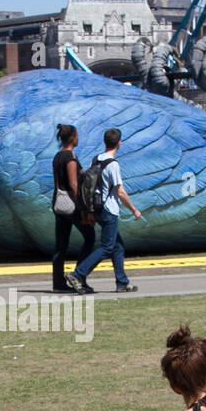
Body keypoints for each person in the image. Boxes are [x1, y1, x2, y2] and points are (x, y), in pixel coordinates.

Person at [64, 128, 143, 294]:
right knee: (107, 247)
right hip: (109, 210)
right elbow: (120, 191)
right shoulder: (113, 165)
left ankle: (122, 282)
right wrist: (134, 210)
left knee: (117, 246)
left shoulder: (96, 159)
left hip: (97, 208)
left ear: (105, 142)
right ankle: (78, 274)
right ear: (119, 143)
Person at [50, 124, 95, 292]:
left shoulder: (57, 156)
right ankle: (79, 276)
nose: (78, 138)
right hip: (70, 204)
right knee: (90, 237)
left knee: (61, 244)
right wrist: (83, 207)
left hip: (58, 203)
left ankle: (58, 282)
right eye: (77, 135)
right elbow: (74, 184)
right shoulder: (70, 157)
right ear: (71, 138)